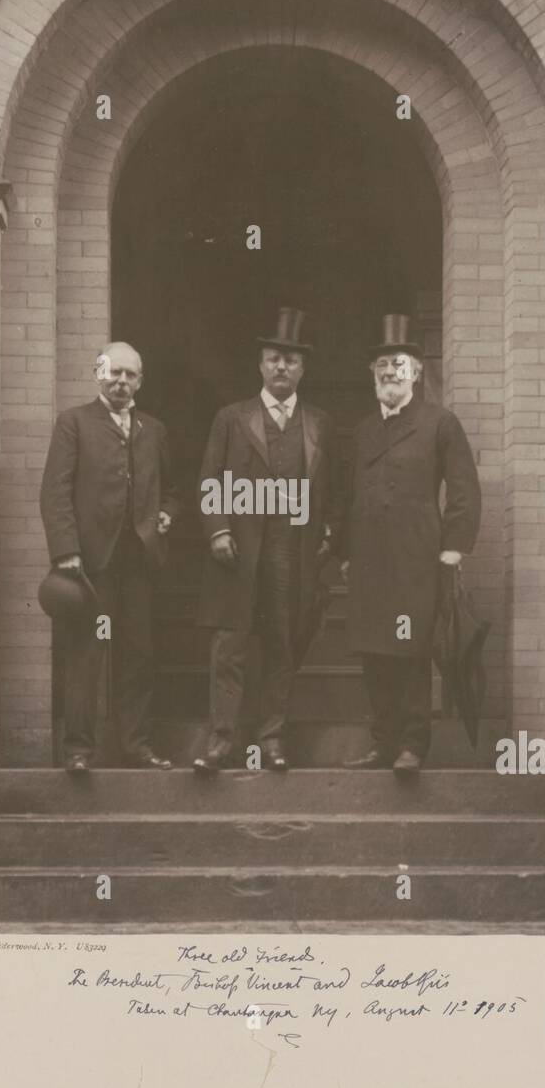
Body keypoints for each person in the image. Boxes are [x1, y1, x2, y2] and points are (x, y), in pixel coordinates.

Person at [193, 307, 337, 772]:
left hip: (290, 551)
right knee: (230, 647)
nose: (281, 368)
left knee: (281, 644)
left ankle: (272, 737)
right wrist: (217, 529)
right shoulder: (231, 419)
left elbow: (335, 488)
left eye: (291, 361)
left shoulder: (319, 424)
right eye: (274, 358)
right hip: (237, 550)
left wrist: (328, 534)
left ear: (303, 369)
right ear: (260, 364)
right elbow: (209, 479)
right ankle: (221, 740)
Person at [339, 314, 482, 773]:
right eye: (381, 364)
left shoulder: (439, 423)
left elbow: (464, 488)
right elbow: (349, 495)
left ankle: (413, 745)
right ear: (373, 373)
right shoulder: (361, 431)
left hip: (419, 557)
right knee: (373, 651)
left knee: (410, 649)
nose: (389, 371)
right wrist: (344, 552)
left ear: (417, 373)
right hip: (368, 559)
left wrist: (453, 548)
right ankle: (383, 742)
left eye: (398, 363)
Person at [40, 342, 179, 773]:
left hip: (137, 562)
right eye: (113, 373)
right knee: (86, 654)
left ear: (140, 381)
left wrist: (167, 515)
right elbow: (55, 492)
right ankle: (79, 750)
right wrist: (66, 551)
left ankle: (136, 747)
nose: (121, 382)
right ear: (98, 375)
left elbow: (172, 491)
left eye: (129, 375)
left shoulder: (153, 430)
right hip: (90, 566)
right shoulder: (74, 424)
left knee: (138, 653)